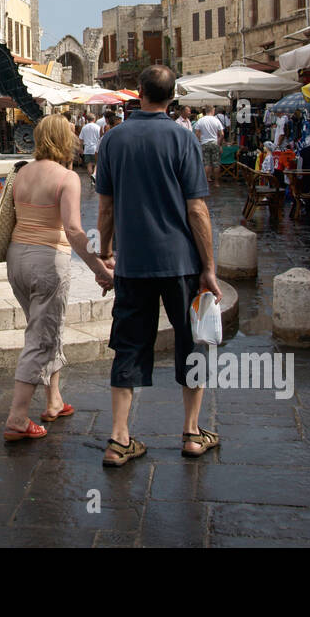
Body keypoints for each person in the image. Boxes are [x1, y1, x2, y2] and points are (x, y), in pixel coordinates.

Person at [96, 65, 221, 466]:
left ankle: (119, 439)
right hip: (180, 260)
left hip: (134, 264)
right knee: (193, 342)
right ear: (173, 97)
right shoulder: (183, 139)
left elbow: (106, 206)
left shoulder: (113, 140)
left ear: (138, 92)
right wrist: (209, 266)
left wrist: (106, 252)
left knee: (128, 345)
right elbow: (197, 209)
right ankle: (191, 432)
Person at [2, 116, 115, 441]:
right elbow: (74, 230)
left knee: (45, 327)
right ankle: (17, 417)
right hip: (47, 260)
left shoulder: (21, 171)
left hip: (17, 259)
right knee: (41, 338)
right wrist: (100, 268)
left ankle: (54, 401)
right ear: (64, 139)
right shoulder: (67, 177)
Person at [194, 106, 224, 184]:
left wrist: (199, 141)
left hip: (204, 143)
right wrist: (219, 142)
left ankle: (205, 182)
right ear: (212, 111)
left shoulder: (200, 120)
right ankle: (216, 182)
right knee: (216, 163)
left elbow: (196, 133)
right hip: (214, 143)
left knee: (206, 163)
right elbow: (222, 134)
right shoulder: (216, 120)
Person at [79, 112, 102, 181]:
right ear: (94, 119)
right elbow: (100, 138)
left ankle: (91, 179)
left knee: (89, 165)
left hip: (87, 148)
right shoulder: (98, 127)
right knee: (96, 164)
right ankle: (94, 175)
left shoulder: (84, 128)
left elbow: (80, 139)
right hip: (96, 148)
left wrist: (80, 148)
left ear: (87, 119)